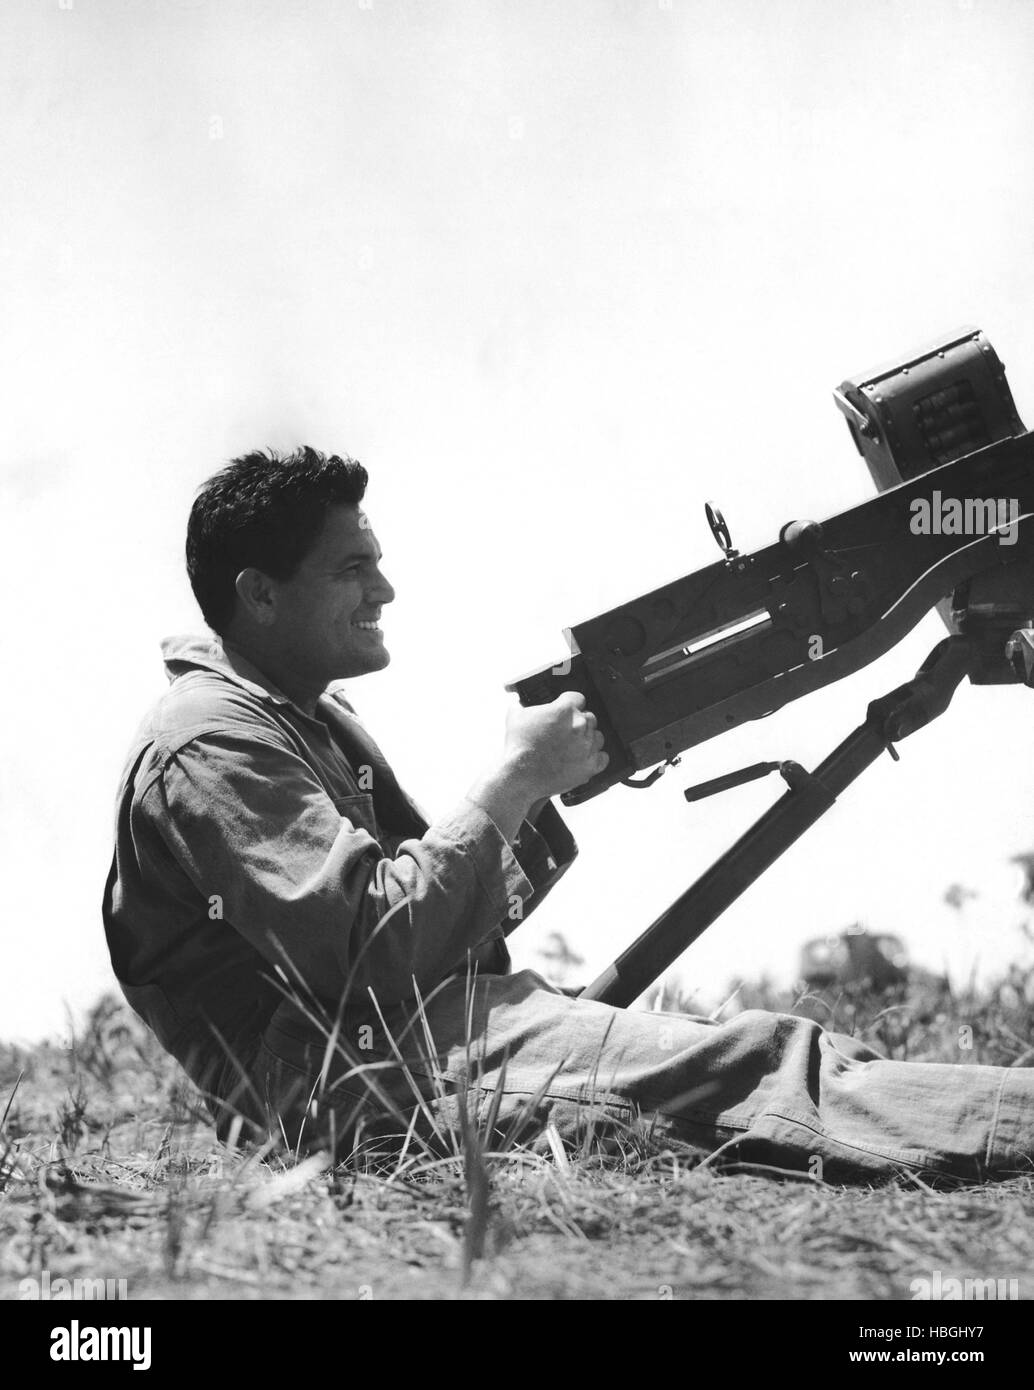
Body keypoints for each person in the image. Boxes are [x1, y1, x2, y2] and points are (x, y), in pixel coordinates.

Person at [103, 446, 1033, 1184]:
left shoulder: (289, 714)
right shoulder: (208, 740)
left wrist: (539, 786)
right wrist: (510, 784)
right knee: (757, 1065)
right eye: (352, 569)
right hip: (351, 1080)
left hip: (412, 1035)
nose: (382, 592)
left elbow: (415, 931)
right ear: (259, 593)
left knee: (789, 1056)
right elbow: (368, 950)